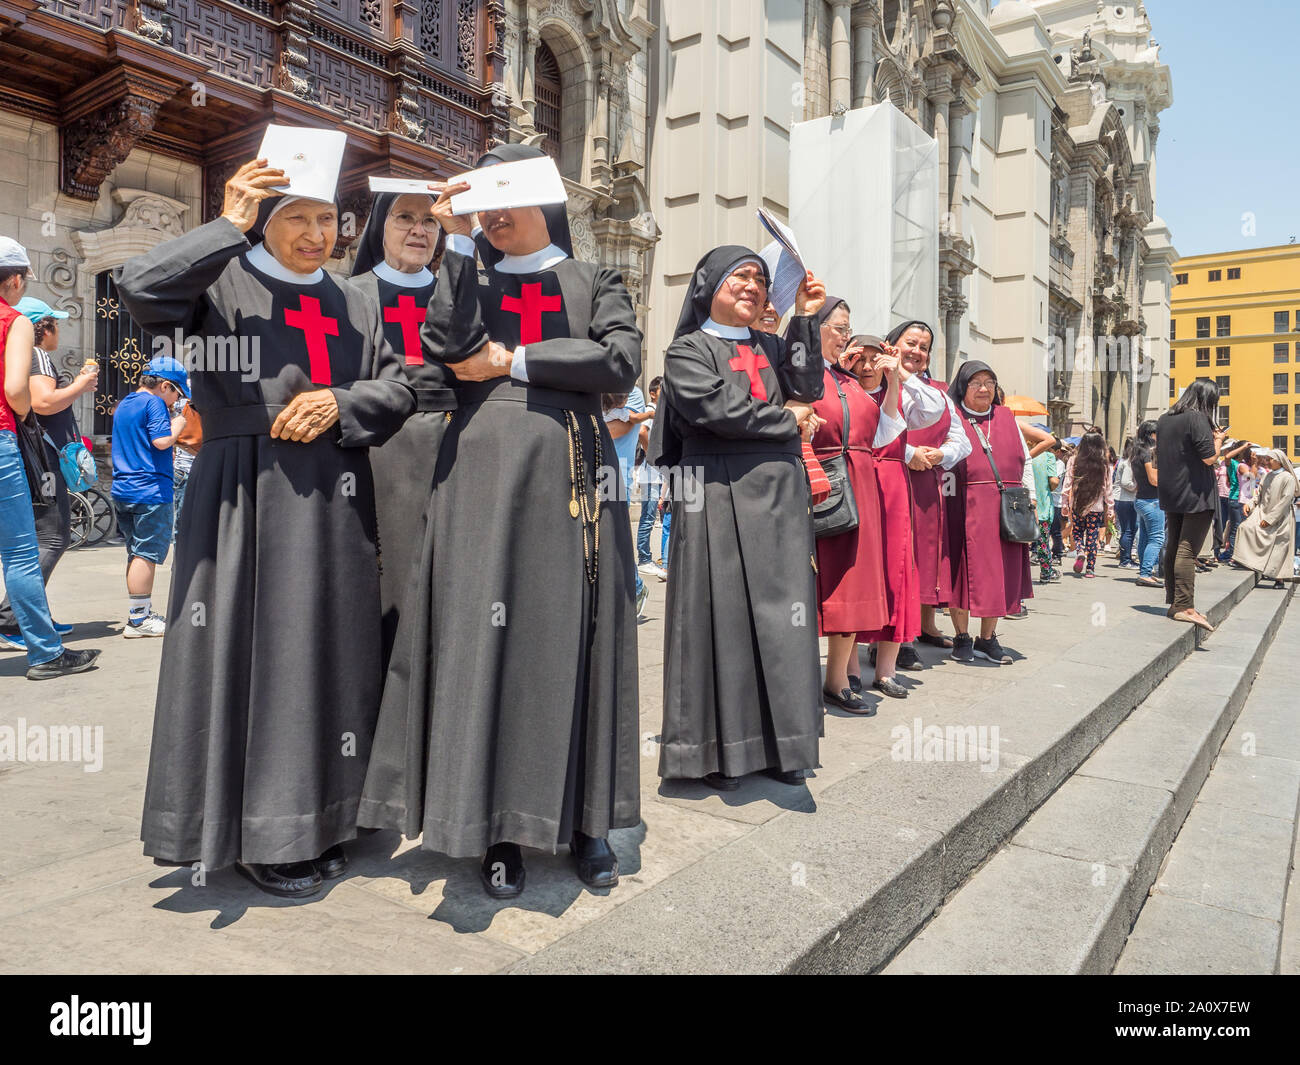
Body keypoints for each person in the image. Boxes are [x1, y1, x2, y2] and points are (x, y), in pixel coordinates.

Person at [116, 156, 417, 898]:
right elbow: (140, 288)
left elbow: (403, 382)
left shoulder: (358, 300)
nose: (317, 235)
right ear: (262, 219)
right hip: (245, 495)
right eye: (297, 218)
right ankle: (264, 831)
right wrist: (226, 223)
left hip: (338, 494)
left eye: (327, 220)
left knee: (333, 651)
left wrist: (344, 404)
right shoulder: (220, 283)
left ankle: (329, 814)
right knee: (267, 654)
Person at [359, 143, 642, 899]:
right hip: (480, 475)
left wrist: (515, 360)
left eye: (504, 198)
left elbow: (619, 363)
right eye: (482, 203)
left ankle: (588, 822)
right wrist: (453, 242)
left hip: (573, 471)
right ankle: (496, 825)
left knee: (576, 635)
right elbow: (446, 346)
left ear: (541, 200)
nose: (493, 214)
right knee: (488, 641)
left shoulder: (592, 277)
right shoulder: (469, 271)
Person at [650, 246, 827, 790]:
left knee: (782, 624)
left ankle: (784, 746)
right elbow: (714, 411)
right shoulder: (687, 350)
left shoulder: (771, 345)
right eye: (739, 277)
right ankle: (713, 752)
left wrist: (803, 320)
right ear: (708, 286)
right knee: (719, 620)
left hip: (776, 495)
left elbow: (809, 388)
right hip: (715, 492)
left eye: (759, 279)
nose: (751, 286)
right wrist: (786, 420)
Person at [344, 188, 455, 669]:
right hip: (379, 454)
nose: (419, 230)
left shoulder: (456, 291)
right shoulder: (350, 294)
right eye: (404, 218)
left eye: (430, 222)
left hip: (453, 449)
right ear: (378, 228)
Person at [0, 237, 99, 679]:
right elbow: (18, 392)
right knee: (21, 552)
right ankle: (44, 653)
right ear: (16, 279)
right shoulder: (15, 320)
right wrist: (21, 418)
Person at [853, 332, 948, 692]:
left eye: (875, 358)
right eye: (860, 359)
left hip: (892, 485)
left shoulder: (903, 394)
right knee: (858, 570)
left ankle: (886, 670)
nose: (867, 366)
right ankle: (848, 668)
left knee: (896, 570)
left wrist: (900, 374)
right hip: (859, 479)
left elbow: (935, 408)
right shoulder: (844, 391)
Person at [809, 324, 896, 713]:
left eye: (849, 328)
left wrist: (893, 382)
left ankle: (837, 678)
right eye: (839, 327)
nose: (846, 338)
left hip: (859, 482)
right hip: (819, 478)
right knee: (812, 581)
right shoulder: (805, 372)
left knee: (851, 580)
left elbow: (884, 432)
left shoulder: (852, 382)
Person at [946, 361, 1034, 665]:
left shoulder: (1007, 416)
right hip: (964, 503)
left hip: (1006, 505)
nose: (984, 388)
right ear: (962, 388)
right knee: (963, 573)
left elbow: (1025, 458)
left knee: (1000, 572)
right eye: (976, 383)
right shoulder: (952, 416)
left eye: (989, 382)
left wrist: (1030, 498)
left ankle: (987, 638)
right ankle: (961, 637)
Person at [890, 319, 971, 649]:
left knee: (926, 555)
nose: (916, 352)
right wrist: (909, 452)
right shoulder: (874, 380)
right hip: (891, 477)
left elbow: (961, 440)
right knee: (896, 555)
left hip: (927, 485)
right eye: (910, 343)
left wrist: (940, 454)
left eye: (923, 348)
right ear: (892, 343)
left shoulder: (938, 391)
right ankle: (892, 636)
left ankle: (925, 624)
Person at [109, 355, 188, 637]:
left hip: (124, 489)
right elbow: (161, 440)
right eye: (176, 393)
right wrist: (179, 423)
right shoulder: (154, 402)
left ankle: (139, 613)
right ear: (165, 386)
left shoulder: (126, 403)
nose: (174, 401)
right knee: (146, 554)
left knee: (135, 553)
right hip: (150, 489)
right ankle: (139, 619)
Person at [1156, 379, 1227, 633]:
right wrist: (1219, 440)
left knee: (1174, 544)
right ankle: (1185, 606)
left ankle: (1175, 602)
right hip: (1196, 492)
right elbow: (1209, 457)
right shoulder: (1196, 418)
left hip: (1171, 491)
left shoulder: (1165, 419)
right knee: (1187, 550)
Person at [604, 384, 652, 616]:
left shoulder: (630, 390)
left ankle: (636, 587)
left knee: (614, 537)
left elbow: (619, 429)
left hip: (616, 476)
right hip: (595, 472)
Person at [1233, 449, 1298, 587]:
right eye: (1267, 459)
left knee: (1279, 547)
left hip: (1281, 517)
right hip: (1262, 511)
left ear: (1279, 461)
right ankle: (1254, 564)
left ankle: (1279, 579)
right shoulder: (1267, 476)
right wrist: (1250, 504)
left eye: (1270, 459)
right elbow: (1258, 493)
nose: (1267, 462)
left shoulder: (1288, 478)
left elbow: (1286, 500)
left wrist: (1270, 519)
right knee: (1245, 528)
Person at [1060, 428, 1115, 578]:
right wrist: (1110, 507)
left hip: (1077, 503)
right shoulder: (1104, 464)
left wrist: (1065, 503)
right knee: (1093, 535)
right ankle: (1090, 569)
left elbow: (1067, 484)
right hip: (1096, 507)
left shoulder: (1074, 460)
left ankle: (1080, 551)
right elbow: (1108, 488)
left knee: (1077, 532)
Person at [635, 376, 668, 579]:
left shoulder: (659, 411)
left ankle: (647, 557)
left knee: (651, 516)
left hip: (654, 473)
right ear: (653, 393)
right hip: (651, 472)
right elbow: (641, 432)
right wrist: (652, 454)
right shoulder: (651, 410)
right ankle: (644, 559)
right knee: (648, 517)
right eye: (661, 390)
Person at [1131, 419, 1164, 589]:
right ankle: (1145, 573)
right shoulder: (1149, 452)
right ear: (1152, 434)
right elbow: (1153, 479)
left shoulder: (1137, 452)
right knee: (1157, 538)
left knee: (1145, 537)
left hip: (1141, 499)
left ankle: (1145, 571)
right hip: (1152, 501)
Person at [1030, 443, 1059, 583]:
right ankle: (1046, 572)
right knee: (1043, 542)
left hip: (1022, 506)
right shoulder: (1048, 456)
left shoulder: (1021, 453)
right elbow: (1053, 481)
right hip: (1042, 505)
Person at [1114, 436, 1138, 567]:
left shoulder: (1123, 461)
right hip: (1125, 499)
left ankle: (1126, 557)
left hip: (1123, 499)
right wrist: (1137, 487)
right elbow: (1126, 482)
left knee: (1130, 529)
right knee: (1128, 530)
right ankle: (1125, 560)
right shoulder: (1128, 462)